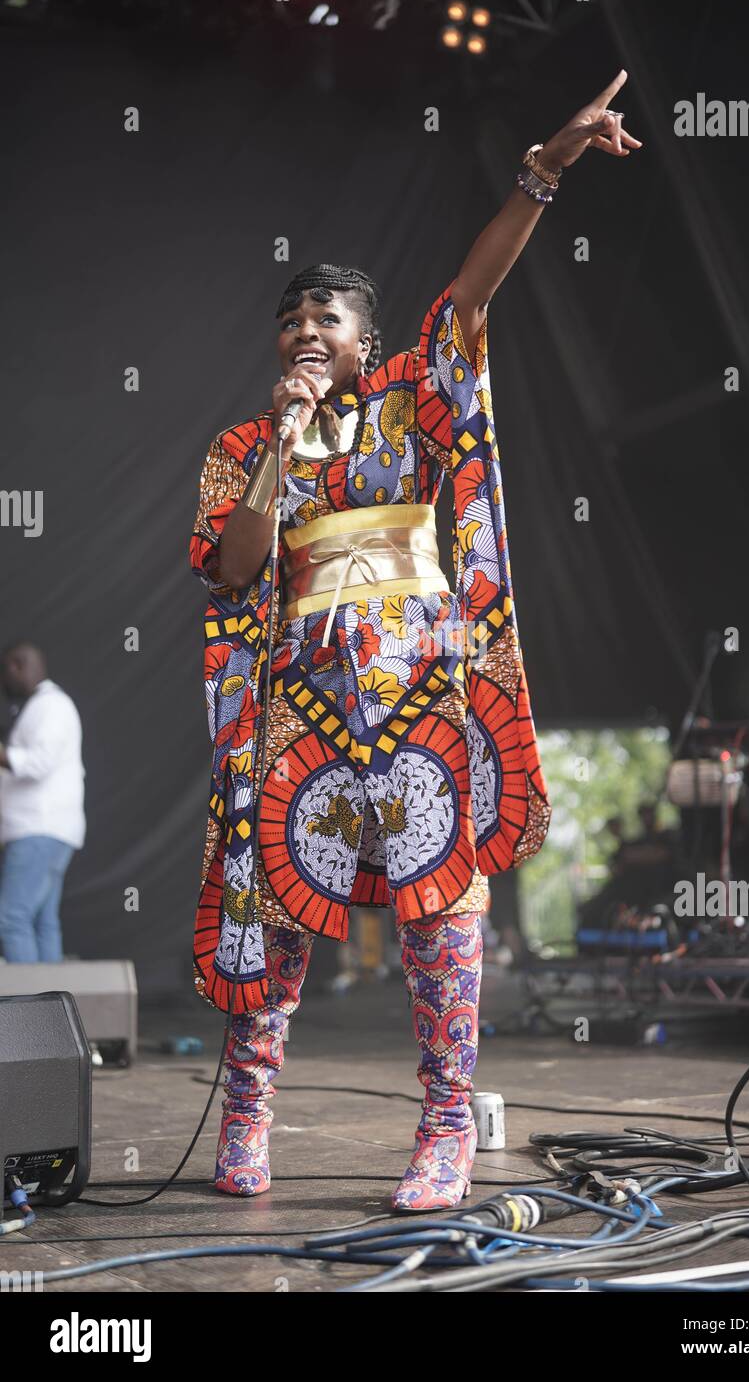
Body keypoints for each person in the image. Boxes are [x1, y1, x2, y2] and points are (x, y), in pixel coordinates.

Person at [189, 73, 641, 1211]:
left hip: (420, 681)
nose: (301, 329)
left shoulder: (414, 394)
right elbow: (236, 565)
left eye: (323, 318)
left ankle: (444, 1124)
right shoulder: (246, 440)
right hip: (303, 697)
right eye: (289, 319)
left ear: (368, 340)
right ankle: (247, 1118)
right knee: (279, 898)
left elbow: (474, 284)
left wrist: (546, 164)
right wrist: (279, 447)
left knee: (440, 905)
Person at [0, 641, 86, 962]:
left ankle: (28, 1011)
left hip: (38, 829)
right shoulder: (46, 705)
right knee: (41, 922)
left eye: (4, 671)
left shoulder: (50, 706)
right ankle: (51, 1010)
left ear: (16, 666)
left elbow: (39, 762)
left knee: (11, 918)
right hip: (46, 830)